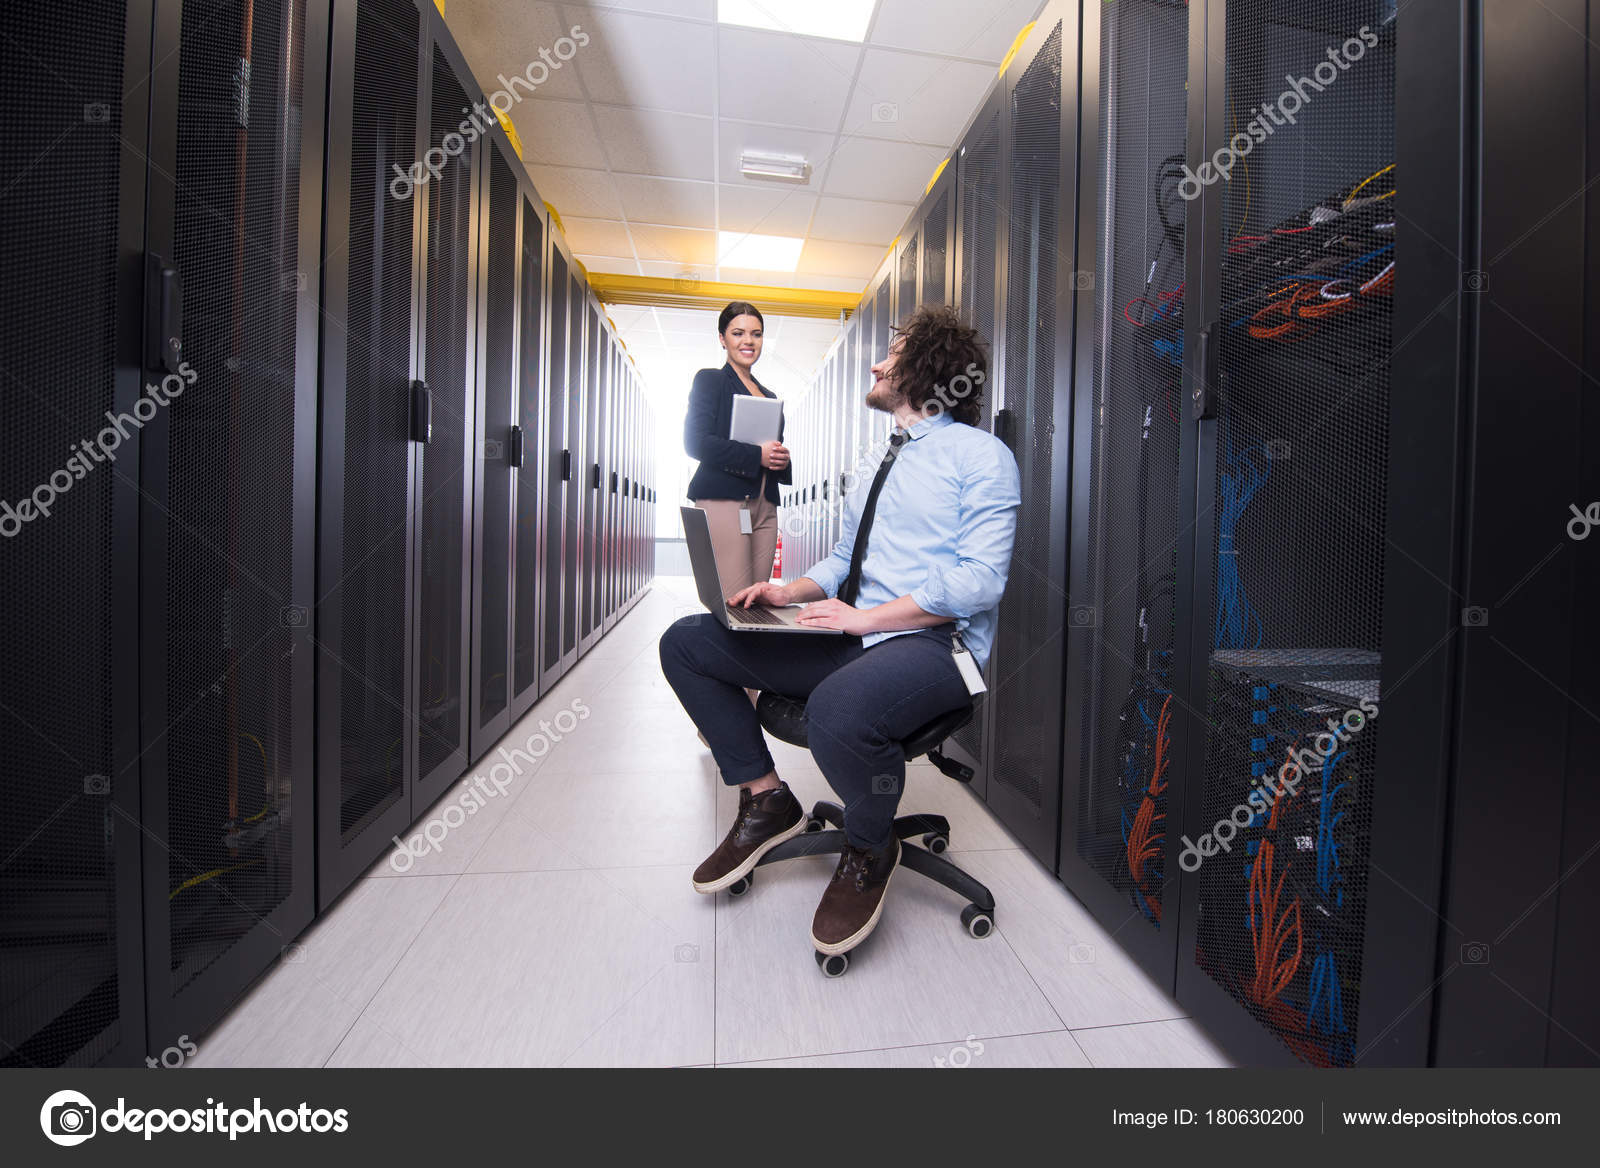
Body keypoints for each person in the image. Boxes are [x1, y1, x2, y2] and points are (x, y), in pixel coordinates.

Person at [659, 304, 1020, 957]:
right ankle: (765, 799)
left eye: (893, 352)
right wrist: (788, 590)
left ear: (925, 366)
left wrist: (868, 618)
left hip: (939, 648)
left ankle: (869, 844)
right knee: (689, 641)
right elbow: (844, 559)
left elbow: (979, 582)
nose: (878, 363)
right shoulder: (883, 456)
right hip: (858, 637)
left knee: (836, 708)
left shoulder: (982, 457)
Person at [683, 301, 790, 598]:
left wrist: (781, 459)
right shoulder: (711, 381)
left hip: (765, 504)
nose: (748, 341)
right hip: (725, 501)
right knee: (733, 598)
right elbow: (695, 441)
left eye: (756, 334)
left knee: (758, 598)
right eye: (738, 333)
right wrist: (758, 455)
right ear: (722, 338)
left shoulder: (769, 395)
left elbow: (771, 448)